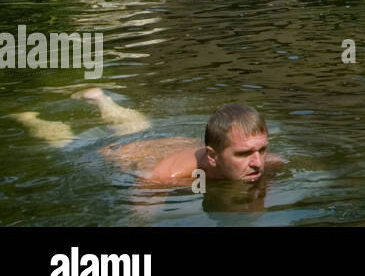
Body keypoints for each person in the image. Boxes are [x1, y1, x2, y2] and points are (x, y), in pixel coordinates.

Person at [12, 91, 281, 187]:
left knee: (138, 126)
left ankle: (101, 98)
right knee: (67, 143)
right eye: (245, 154)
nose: (258, 162)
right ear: (213, 156)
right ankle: (28, 117)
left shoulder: (264, 161)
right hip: (123, 153)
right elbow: (143, 198)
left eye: (262, 150)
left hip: (168, 143)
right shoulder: (168, 175)